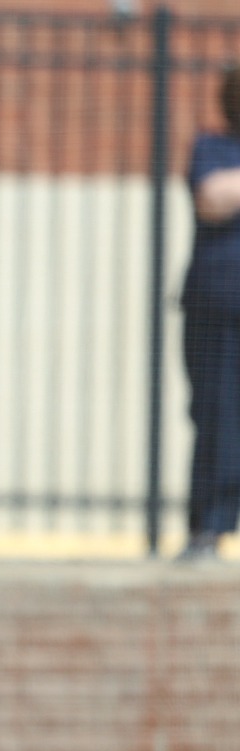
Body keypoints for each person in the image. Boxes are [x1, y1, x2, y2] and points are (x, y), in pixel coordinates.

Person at [182, 67, 240, 562]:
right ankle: (209, 529)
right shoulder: (212, 150)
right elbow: (214, 198)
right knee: (219, 419)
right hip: (220, 310)